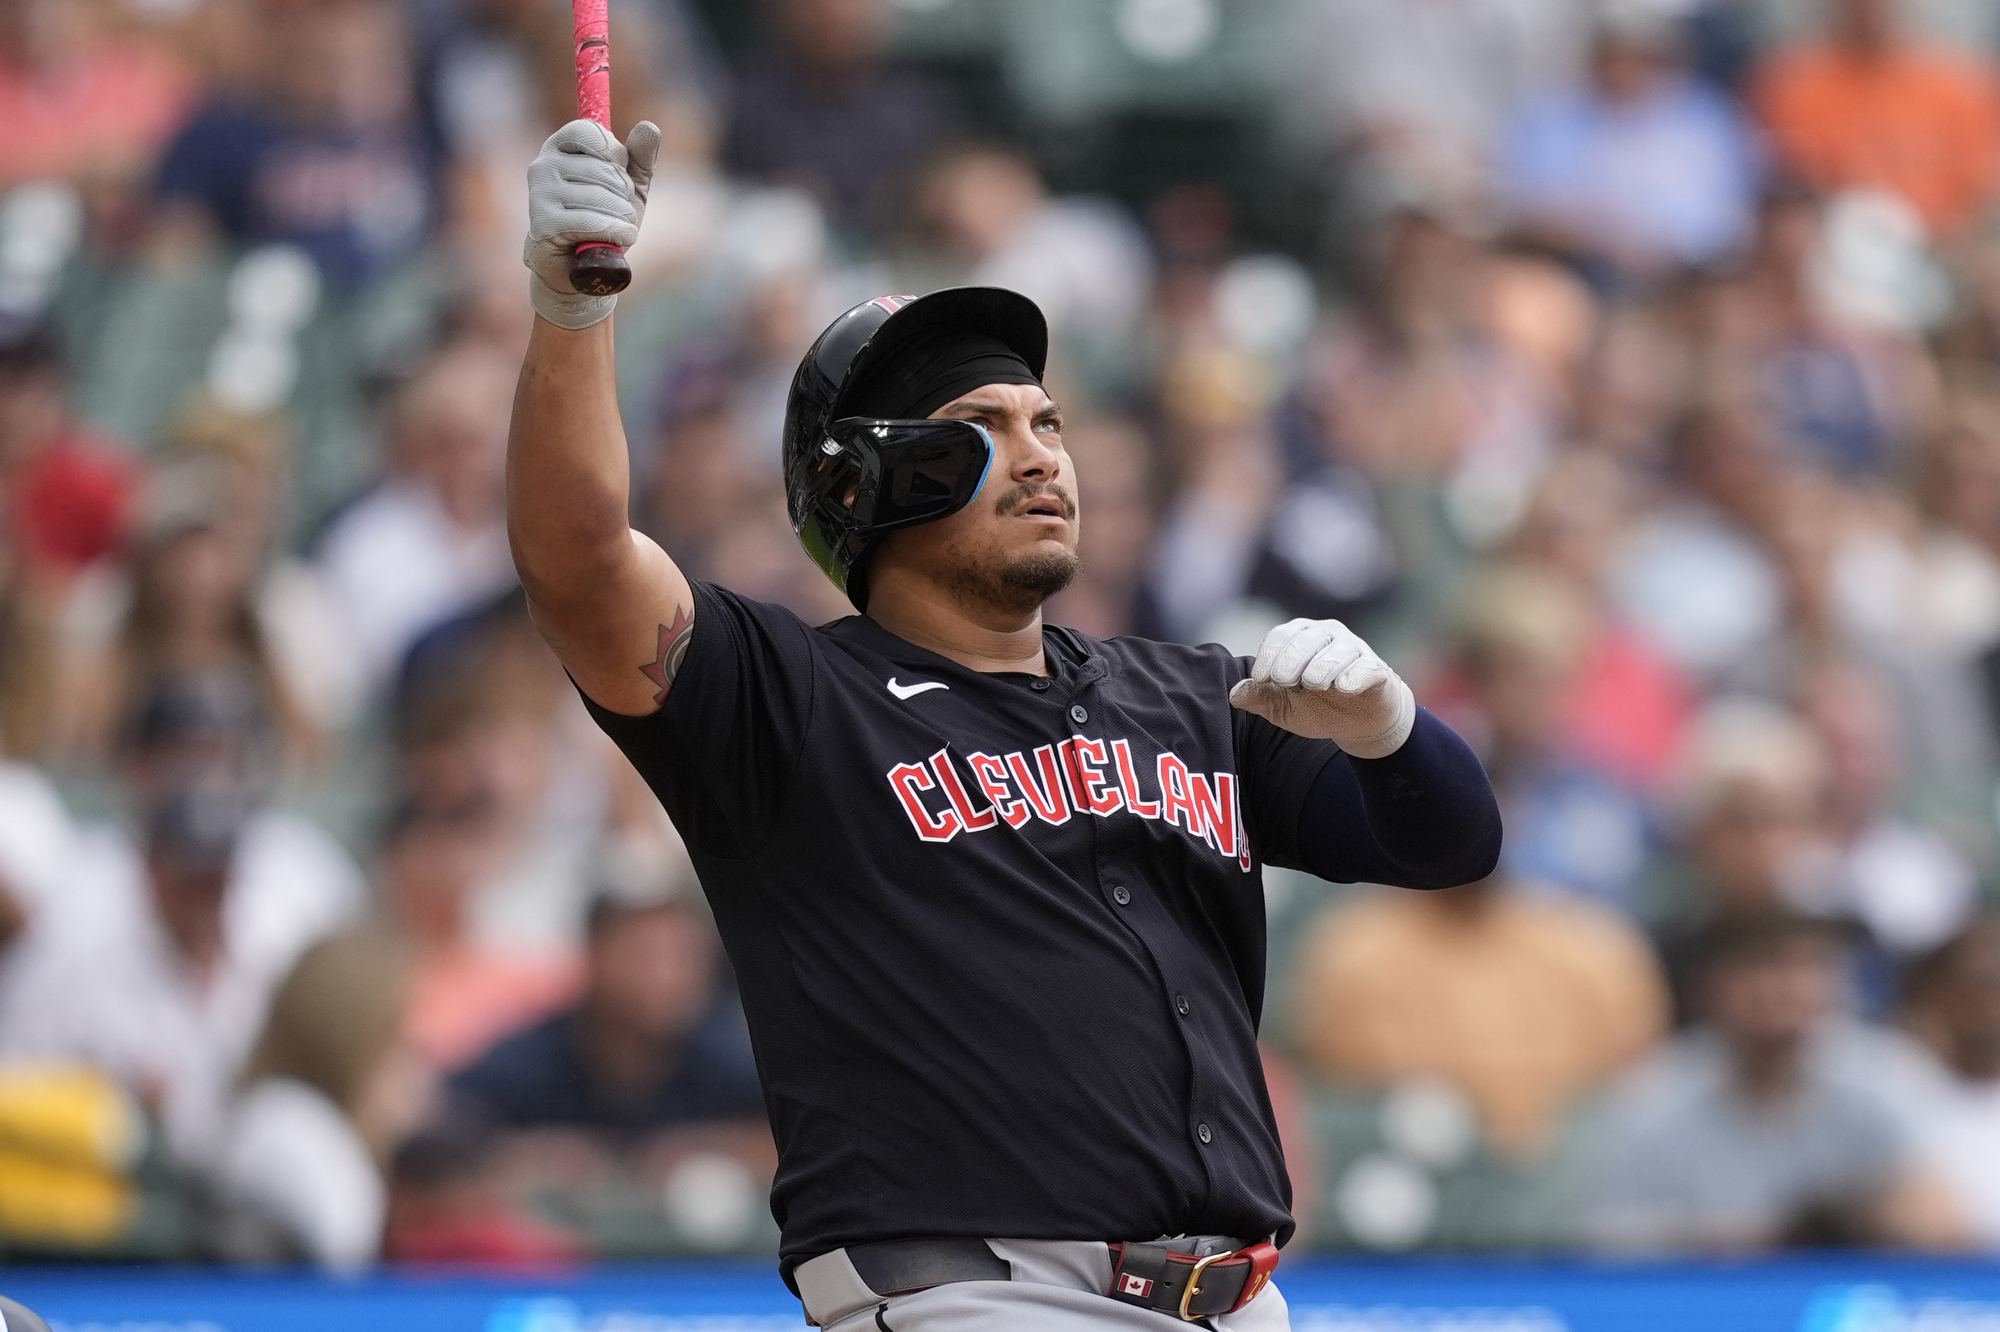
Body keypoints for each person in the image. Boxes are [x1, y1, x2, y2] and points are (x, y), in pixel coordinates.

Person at [507, 114, 1502, 1328]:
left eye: (1049, 423)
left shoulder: (1191, 694)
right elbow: (578, 563)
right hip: (977, 1293)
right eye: (982, 428)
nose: (1041, 457)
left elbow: (1447, 843)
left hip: (1231, 1298)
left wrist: (1390, 728)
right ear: (863, 480)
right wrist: (572, 316)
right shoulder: (792, 701)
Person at [1585, 911, 1963, 1251]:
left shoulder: (1887, 1073)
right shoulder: (1653, 1094)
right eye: (1765, 963)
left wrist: (1853, 1220)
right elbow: (1608, 1245)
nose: (1789, 985)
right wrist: (1773, 1237)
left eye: (1813, 964)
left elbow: (1942, 1224)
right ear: (1708, 986)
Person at [1288, 870, 1666, 1160]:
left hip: (1571, 1191)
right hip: (1414, 1185)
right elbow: (1326, 1098)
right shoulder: (1352, 951)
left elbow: (1638, 1091)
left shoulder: (1590, 944)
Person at [449, 870, 762, 1135]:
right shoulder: (520, 1067)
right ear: (593, 954)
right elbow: (452, 1120)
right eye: (645, 955)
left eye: (685, 956)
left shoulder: (741, 1064)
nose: (668, 976)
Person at [214, 927, 434, 1272]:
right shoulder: (291, 1130)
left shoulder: (319, 1136)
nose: (418, 1068)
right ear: (352, 1042)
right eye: (399, 1042)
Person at [1751, 0, 2000, 241]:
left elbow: (1981, 194)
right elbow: (1790, 193)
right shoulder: (1792, 87)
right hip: (1839, 248)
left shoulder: (1958, 85)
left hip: (1947, 246)